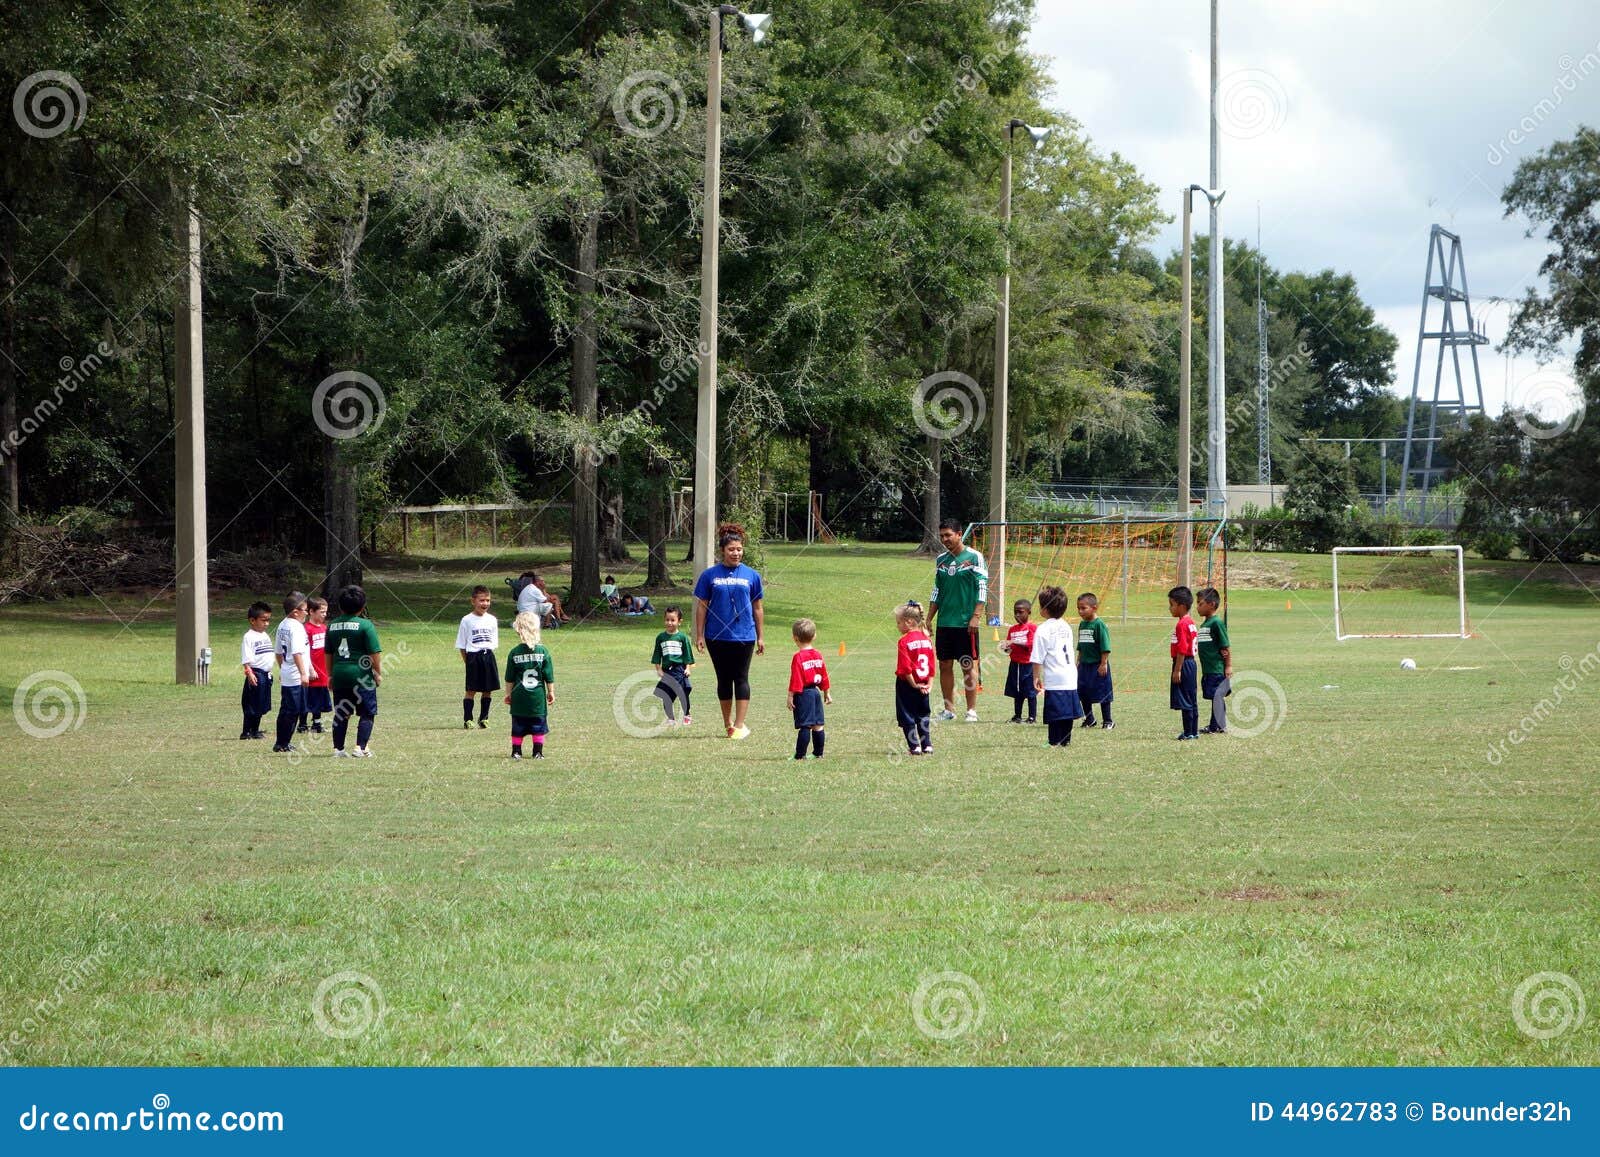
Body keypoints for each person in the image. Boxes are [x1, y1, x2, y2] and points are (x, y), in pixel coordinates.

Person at [693, 522, 765, 740]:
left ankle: (739, 724)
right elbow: (702, 606)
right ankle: (728, 724)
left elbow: (758, 608)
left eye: (739, 549)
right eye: (731, 549)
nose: (736, 553)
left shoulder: (752, 576)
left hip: (745, 635)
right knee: (724, 680)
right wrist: (699, 634)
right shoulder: (709, 575)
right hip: (716, 636)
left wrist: (761, 636)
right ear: (722, 551)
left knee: (741, 678)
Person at [928, 518, 987, 722]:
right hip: (945, 622)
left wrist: (976, 616)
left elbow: (982, 587)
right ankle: (949, 709)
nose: (945, 539)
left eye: (948, 535)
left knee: (967, 664)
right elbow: (938, 590)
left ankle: (971, 710)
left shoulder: (974, 557)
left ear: (959, 534)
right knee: (944, 664)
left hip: (966, 623)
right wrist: (928, 619)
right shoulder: (941, 560)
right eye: (942, 535)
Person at [327, 584, 382, 758]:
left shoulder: (332, 625)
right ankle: (360, 747)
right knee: (367, 712)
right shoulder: (366, 625)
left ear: (340, 606)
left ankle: (338, 749)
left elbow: (328, 653)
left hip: (340, 674)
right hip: (361, 675)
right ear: (362, 606)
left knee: (342, 713)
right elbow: (374, 653)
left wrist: (330, 675)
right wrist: (377, 672)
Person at [1030, 585, 1082, 747]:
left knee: (1055, 712)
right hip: (1071, 674)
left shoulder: (1043, 629)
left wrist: (1036, 677)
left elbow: (1038, 657)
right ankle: (1066, 740)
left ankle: (1053, 741)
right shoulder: (1066, 626)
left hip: (1055, 676)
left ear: (1044, 609)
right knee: (1066, 712)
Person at [503, 611, 554, 759]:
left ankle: (516, 751)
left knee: (518, 725)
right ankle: (537, 752)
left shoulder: (514, 653)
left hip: (519, 697)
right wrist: (551, 692)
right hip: (537, 698)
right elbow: (548, 676)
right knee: (538, 725)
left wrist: (508, 694)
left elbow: (509, 677)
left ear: (518, 630)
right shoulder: (543, 651)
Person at [787, 618, 833, 760]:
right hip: (815, 693)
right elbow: (824, 675)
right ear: (814, 636)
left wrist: (790, 696)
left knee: (805, 725)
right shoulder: (817, 655)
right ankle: (818, 753)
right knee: (818, 724)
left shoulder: (798, 657)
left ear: (795, 638)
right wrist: (827, 692)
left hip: (803, 694)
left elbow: (796, 679)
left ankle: (800, 755)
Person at [894, 601, 935, 756]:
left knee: (907, 715)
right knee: (923, 715)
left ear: (909, 622)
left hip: (908, 685)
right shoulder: (927, 640)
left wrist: (913, 684)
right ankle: (927, 745)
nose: (897, 626)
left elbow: (905, 668)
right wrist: (929, 684)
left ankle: (914, 746)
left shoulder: (904, 641)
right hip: (925, 683)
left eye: (899, 622)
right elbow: (931, 665)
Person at [457, 584, 501, 729]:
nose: (485, 604)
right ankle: (468, 719)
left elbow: (493, 641)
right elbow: (462, 645)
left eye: (488, 600)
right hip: (473, 657)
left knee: (487, 690)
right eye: (482, 600)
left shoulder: (492, 620)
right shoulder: (466, 620)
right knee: (471, 690)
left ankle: (484, 718)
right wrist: (468, 661)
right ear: (473, 601)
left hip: (488, 656)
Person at [272, 591, 311, 753]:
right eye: (305, 610)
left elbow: (279, 652)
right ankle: (282, 743)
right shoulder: (296, 627)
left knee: (287, 708)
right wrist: (303, 673)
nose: (307, 613)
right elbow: (296, 652)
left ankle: (283, 742)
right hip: (295, 674)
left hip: (288, 671)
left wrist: (283, 669)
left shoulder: (283, 624)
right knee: (292, 710)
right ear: (295, 611)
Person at [1195, 587, 1232, 734]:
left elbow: (1225, 646)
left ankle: (1219, 725)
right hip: (1208, 669)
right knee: (1213, 697)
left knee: (1217, 696)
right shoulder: (1205, 624)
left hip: (1216, 668)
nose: (1197, 607)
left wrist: (1228, 666)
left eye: (1200, 603)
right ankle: (1215, 724)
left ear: (1211, 604)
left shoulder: (1216, 623)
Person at [1075, 592, 1114, 730]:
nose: (1080, 611)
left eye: (1083, 608)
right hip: (1084, 665)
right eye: (1078, 608)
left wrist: (1103, 664)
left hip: (1098, 664)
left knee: (1103, 692)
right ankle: (1089, 719)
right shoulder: (1082, 624)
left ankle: (1108, 720)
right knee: (1083, 692)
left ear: (1094, 608)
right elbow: (1080, 646)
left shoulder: (1099, 625)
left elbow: (1105, 647)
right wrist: (1077, 662)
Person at [651, 606, 695, 726]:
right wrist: (658, 669)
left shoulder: (682, 638)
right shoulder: (660, 638)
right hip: (667, 672)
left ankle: (687, 714)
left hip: (679, 670)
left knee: (683, 694)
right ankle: (671, 718)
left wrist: (688, 668)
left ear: (679, 621)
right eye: (667, 620)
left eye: (672, 620)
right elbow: (656, 655)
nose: (669, 623)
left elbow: (687, 655)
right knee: (666, 695)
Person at [1168, 585, 1200, 741]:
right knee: (1192, 698)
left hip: (1183, 663)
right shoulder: (1191, 621)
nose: (1170, 608)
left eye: (1172, 604)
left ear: (1181, 605)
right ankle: (1194, 731)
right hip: (1191, 664)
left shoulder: (1182, 624)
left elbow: (1182, 648)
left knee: (1185, 699)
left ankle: (1188, 732)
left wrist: (1177, 669)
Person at [239, 601, 273, 740]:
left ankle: (255, 730)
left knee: (261, 704)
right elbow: (246, 658)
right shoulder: (249, 636)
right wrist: (249, 673)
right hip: (256, 673)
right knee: (251, 704)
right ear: (252, 620)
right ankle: (246, 731)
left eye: (268, 620)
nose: (266, 624)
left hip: (266, 674)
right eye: (263, 620)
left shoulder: (265, 635)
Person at [1001, 598, 1038, 724]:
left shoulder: (1032, 628)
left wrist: (1014, 642)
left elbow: (1030, 645)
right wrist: (1006, 647)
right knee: (1017, 691)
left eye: (1020, 612)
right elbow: (1010, 648)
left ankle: (1032, 717)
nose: (1017, 615)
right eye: (1015, 612)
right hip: (1014, 665)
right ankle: (1017, 716)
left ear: (1029, 612)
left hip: (1028, 665)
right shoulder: (1012, 629)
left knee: (1030, 691)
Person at [301, 596, 332, 734]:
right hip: (311, 669)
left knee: (319, 696)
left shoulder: (325, 628)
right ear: (311, 611)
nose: (325, 615)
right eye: (322, 612)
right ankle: (302, 723)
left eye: (326, 612)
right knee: (308, 697)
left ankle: (316, 723)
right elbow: (303, 651)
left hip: (323, 669)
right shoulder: (306, 629)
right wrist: (310, 668)